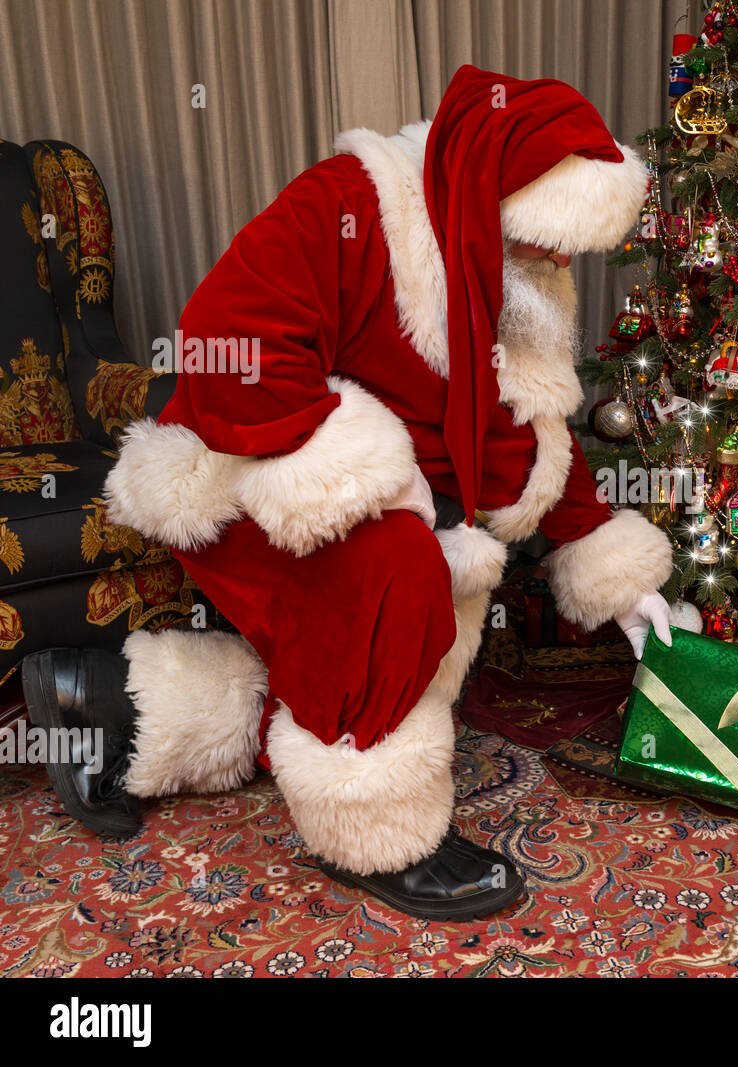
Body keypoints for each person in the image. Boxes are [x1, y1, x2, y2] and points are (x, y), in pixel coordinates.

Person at [22, 66, 674, 921]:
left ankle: (107, 702)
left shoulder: (517, 267)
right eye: (548, 238)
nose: (558, 260)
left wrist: (619, 575)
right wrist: (386, 481)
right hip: (242, 472)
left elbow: (528, 429)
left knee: (375, 645)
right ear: (498, 189)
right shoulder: (356, 202)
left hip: (362, 493)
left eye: (567, 245)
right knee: (394, 574)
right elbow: (227, 344)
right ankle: (382, 837)